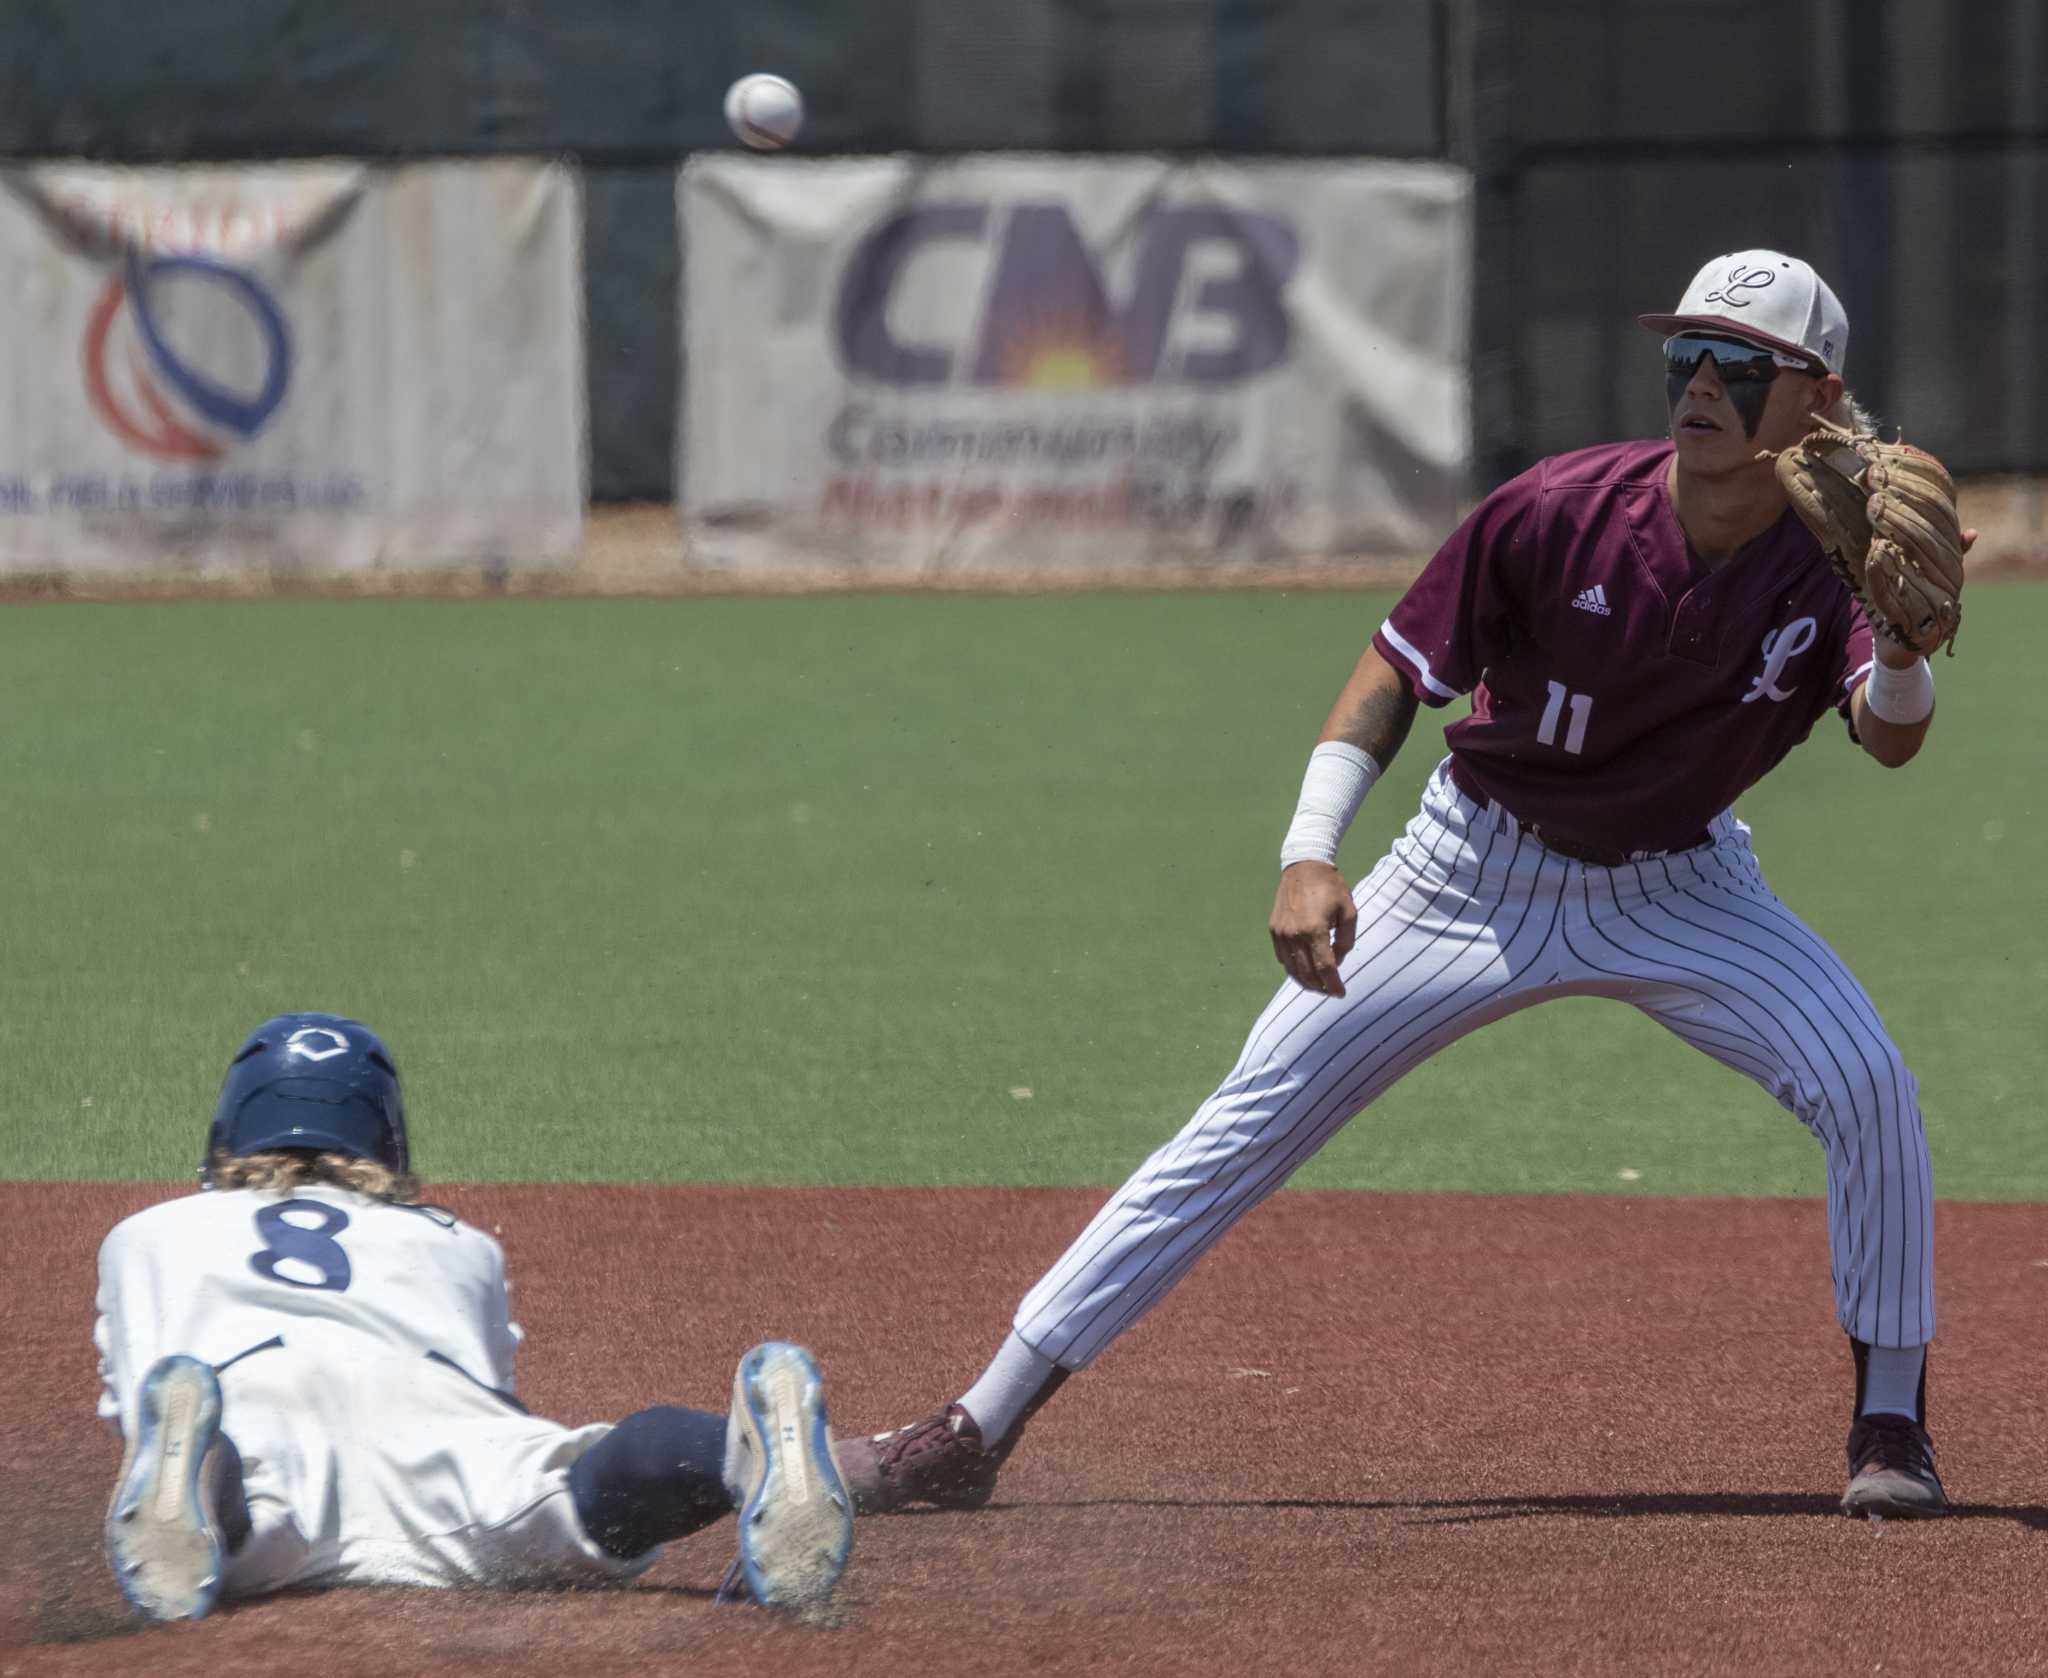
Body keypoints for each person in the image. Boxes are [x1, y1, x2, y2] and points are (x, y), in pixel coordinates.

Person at [838, 250, 1971, 1523]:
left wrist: (1903, 651)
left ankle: (1889, 1424)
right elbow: (1393, 670)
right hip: (1469, 870)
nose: (1699, 384)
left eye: (1739, 364)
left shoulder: (1837, 552)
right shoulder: (1555, 511)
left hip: (1681, 883)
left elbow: (1889, 737)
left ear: (1817, 396)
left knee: (1868, 1085)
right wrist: (1307, 850)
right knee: (1241, 1123)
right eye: (1683, 356)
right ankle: (973, 1426)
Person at [98, 1011, 854, 1622]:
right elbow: (491, 1385)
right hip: (437, 1410)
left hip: (255, 1399)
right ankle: (730, 1449)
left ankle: (205, 1465)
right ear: (387, 1140)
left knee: (240, 1515)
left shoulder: (148, 1234)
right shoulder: (459, 1241)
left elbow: (131, 1399)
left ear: (228, 1131)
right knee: (577, 1499)